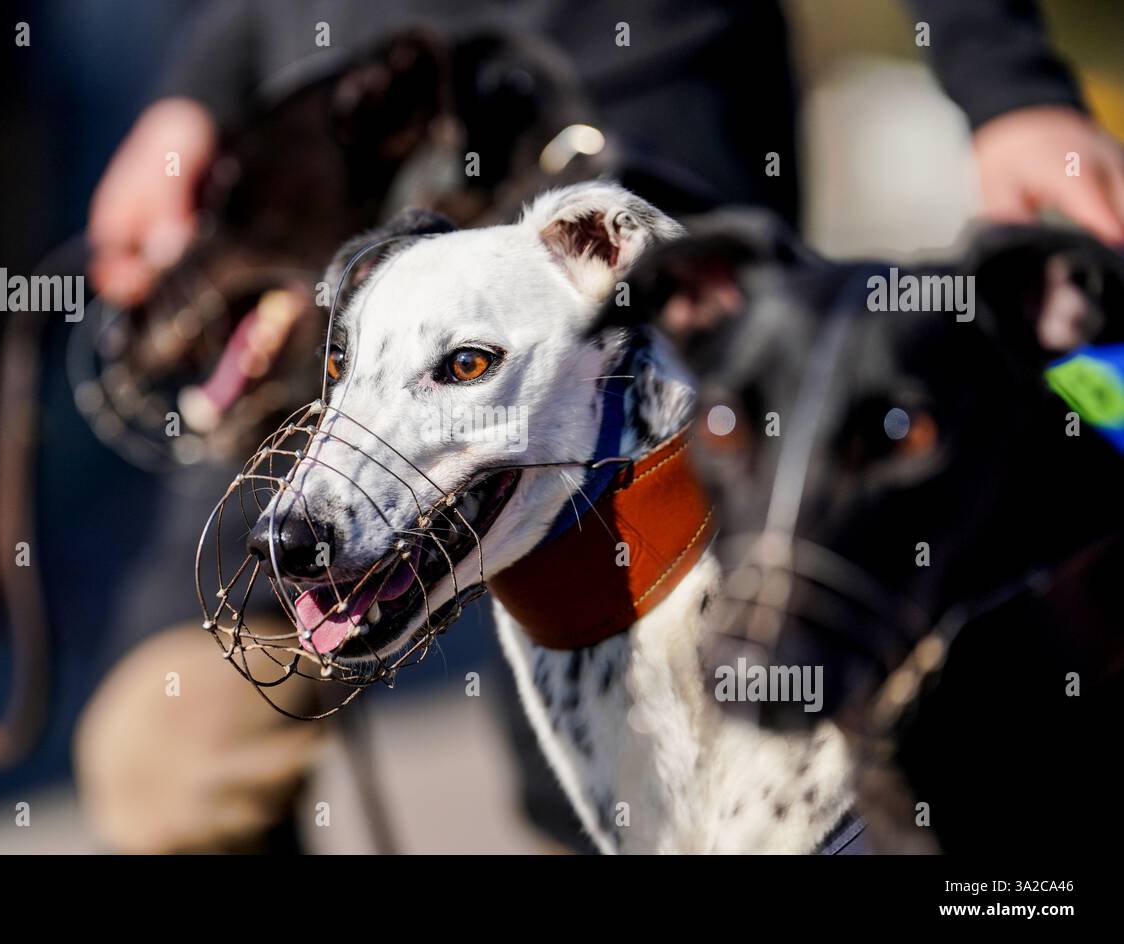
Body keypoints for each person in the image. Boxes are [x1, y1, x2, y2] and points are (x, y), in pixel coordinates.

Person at [76, 0, 1124, 854]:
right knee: (166, 761)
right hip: (337, 247)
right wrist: (189, 101)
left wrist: (1009, 89)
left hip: (648, 256)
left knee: (634, 802)